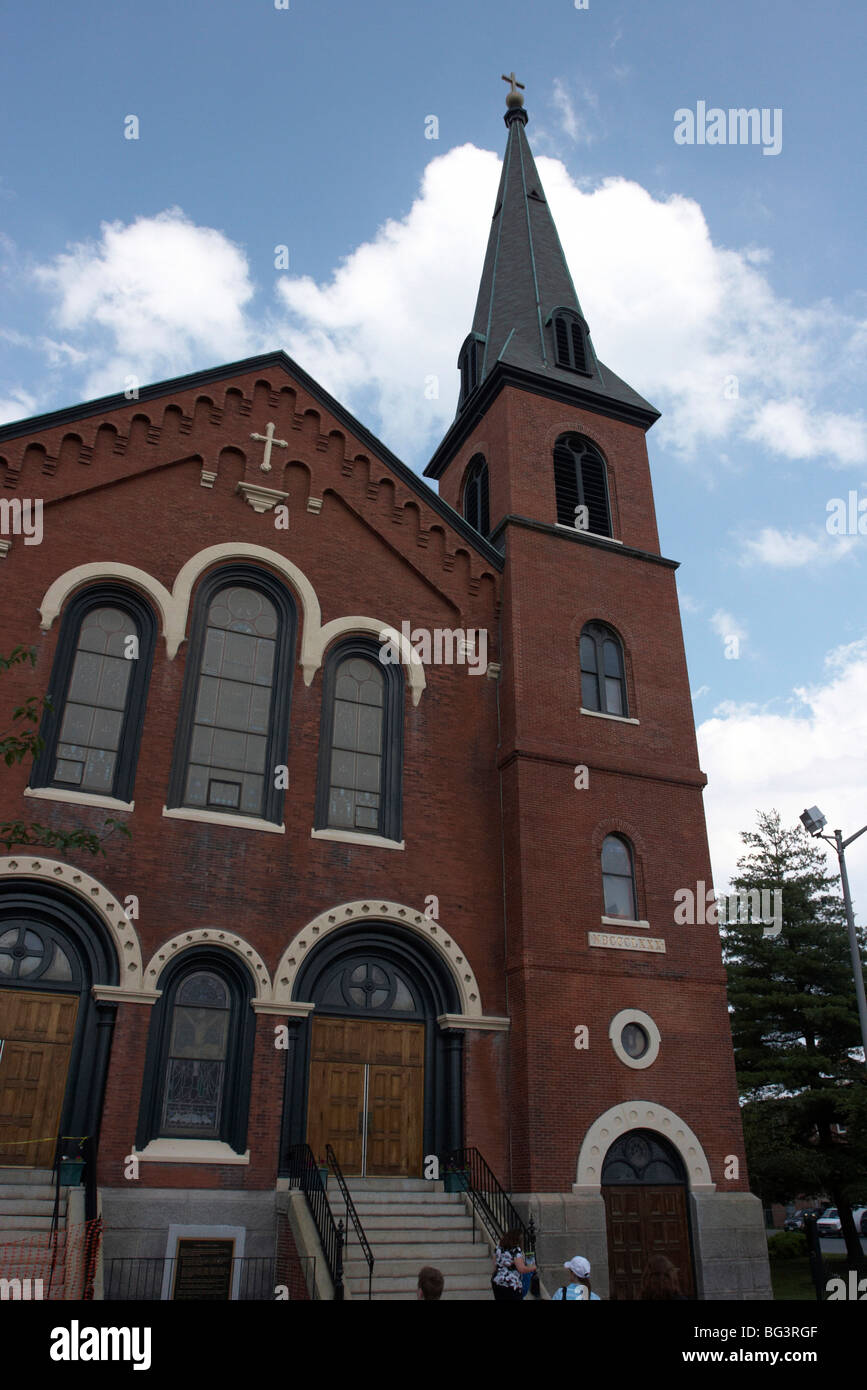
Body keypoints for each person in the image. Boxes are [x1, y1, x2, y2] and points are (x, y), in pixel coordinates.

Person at [491, 1227, 536, 1300]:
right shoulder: (515, 1250)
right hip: (511, 1282)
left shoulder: (498, 1248)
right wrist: (533, 1267)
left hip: (498, 1281)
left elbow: (495, 1264)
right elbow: (521, 1269)